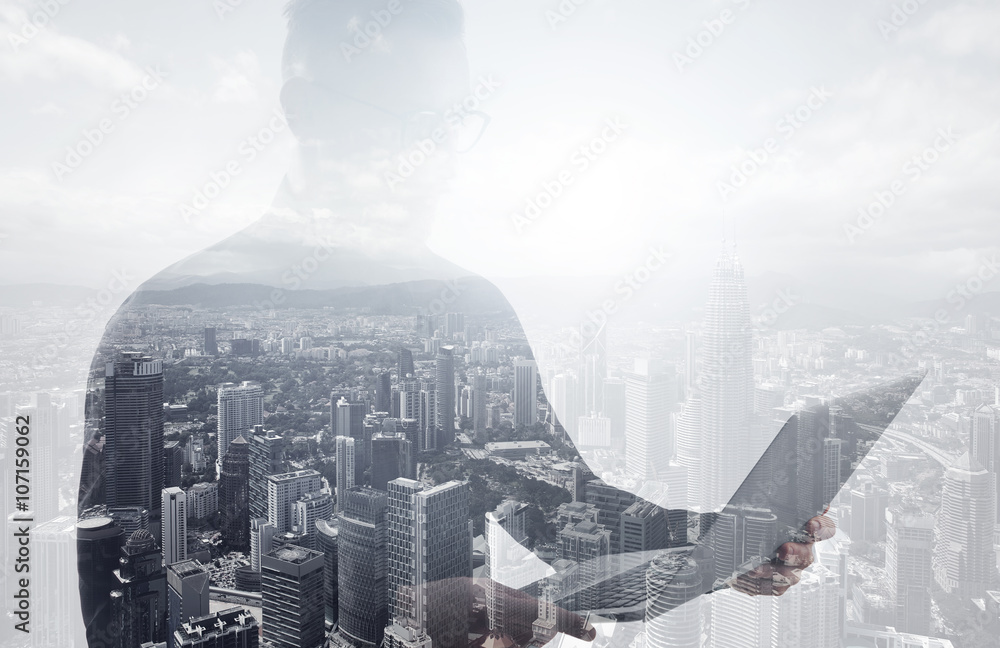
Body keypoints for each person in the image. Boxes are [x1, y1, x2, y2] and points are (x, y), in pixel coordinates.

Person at [77, 1, 832, 646]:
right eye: (406, 120)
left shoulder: (476, 304)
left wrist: (732, 545)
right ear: (305, 109)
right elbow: (104, 614)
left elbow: (559, 511)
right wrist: (404, 619)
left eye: (450, 122)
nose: (436, 155)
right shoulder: (145, 324)